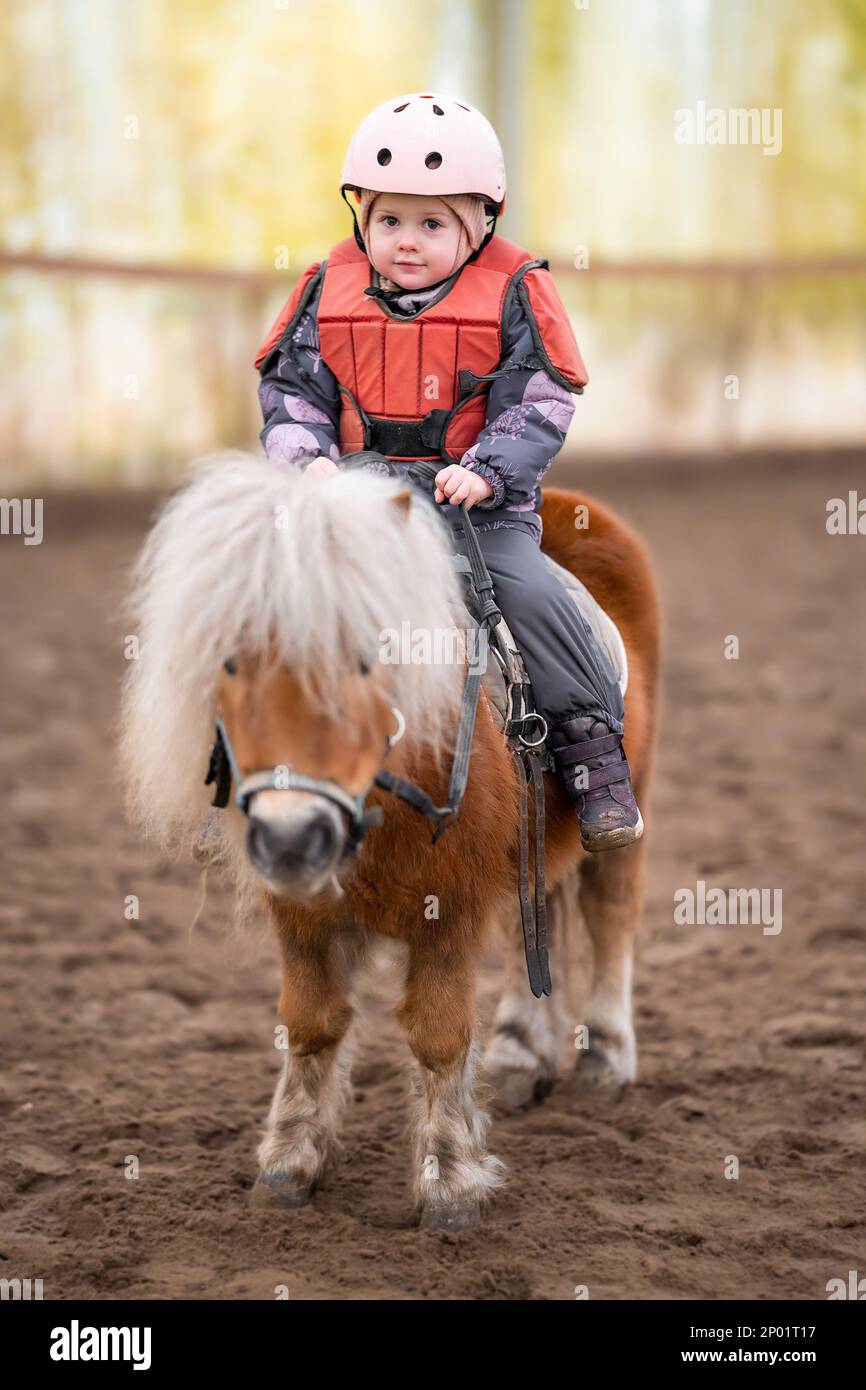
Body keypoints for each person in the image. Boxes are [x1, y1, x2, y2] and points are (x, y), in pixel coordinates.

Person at [253, 92, 642, 851]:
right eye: (389, 220)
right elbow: (292, 389)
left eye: (433, 224)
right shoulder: (323, 289)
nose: (406, 241)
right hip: (354, 499)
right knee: (267, 592)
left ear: (478, 225)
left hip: (475, 509)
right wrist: (305, 460)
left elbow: (542, 395)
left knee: (526, 593)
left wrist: (488, 469)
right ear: (361, 216)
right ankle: (239, 766)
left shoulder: (515, 291)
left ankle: (593, 756)